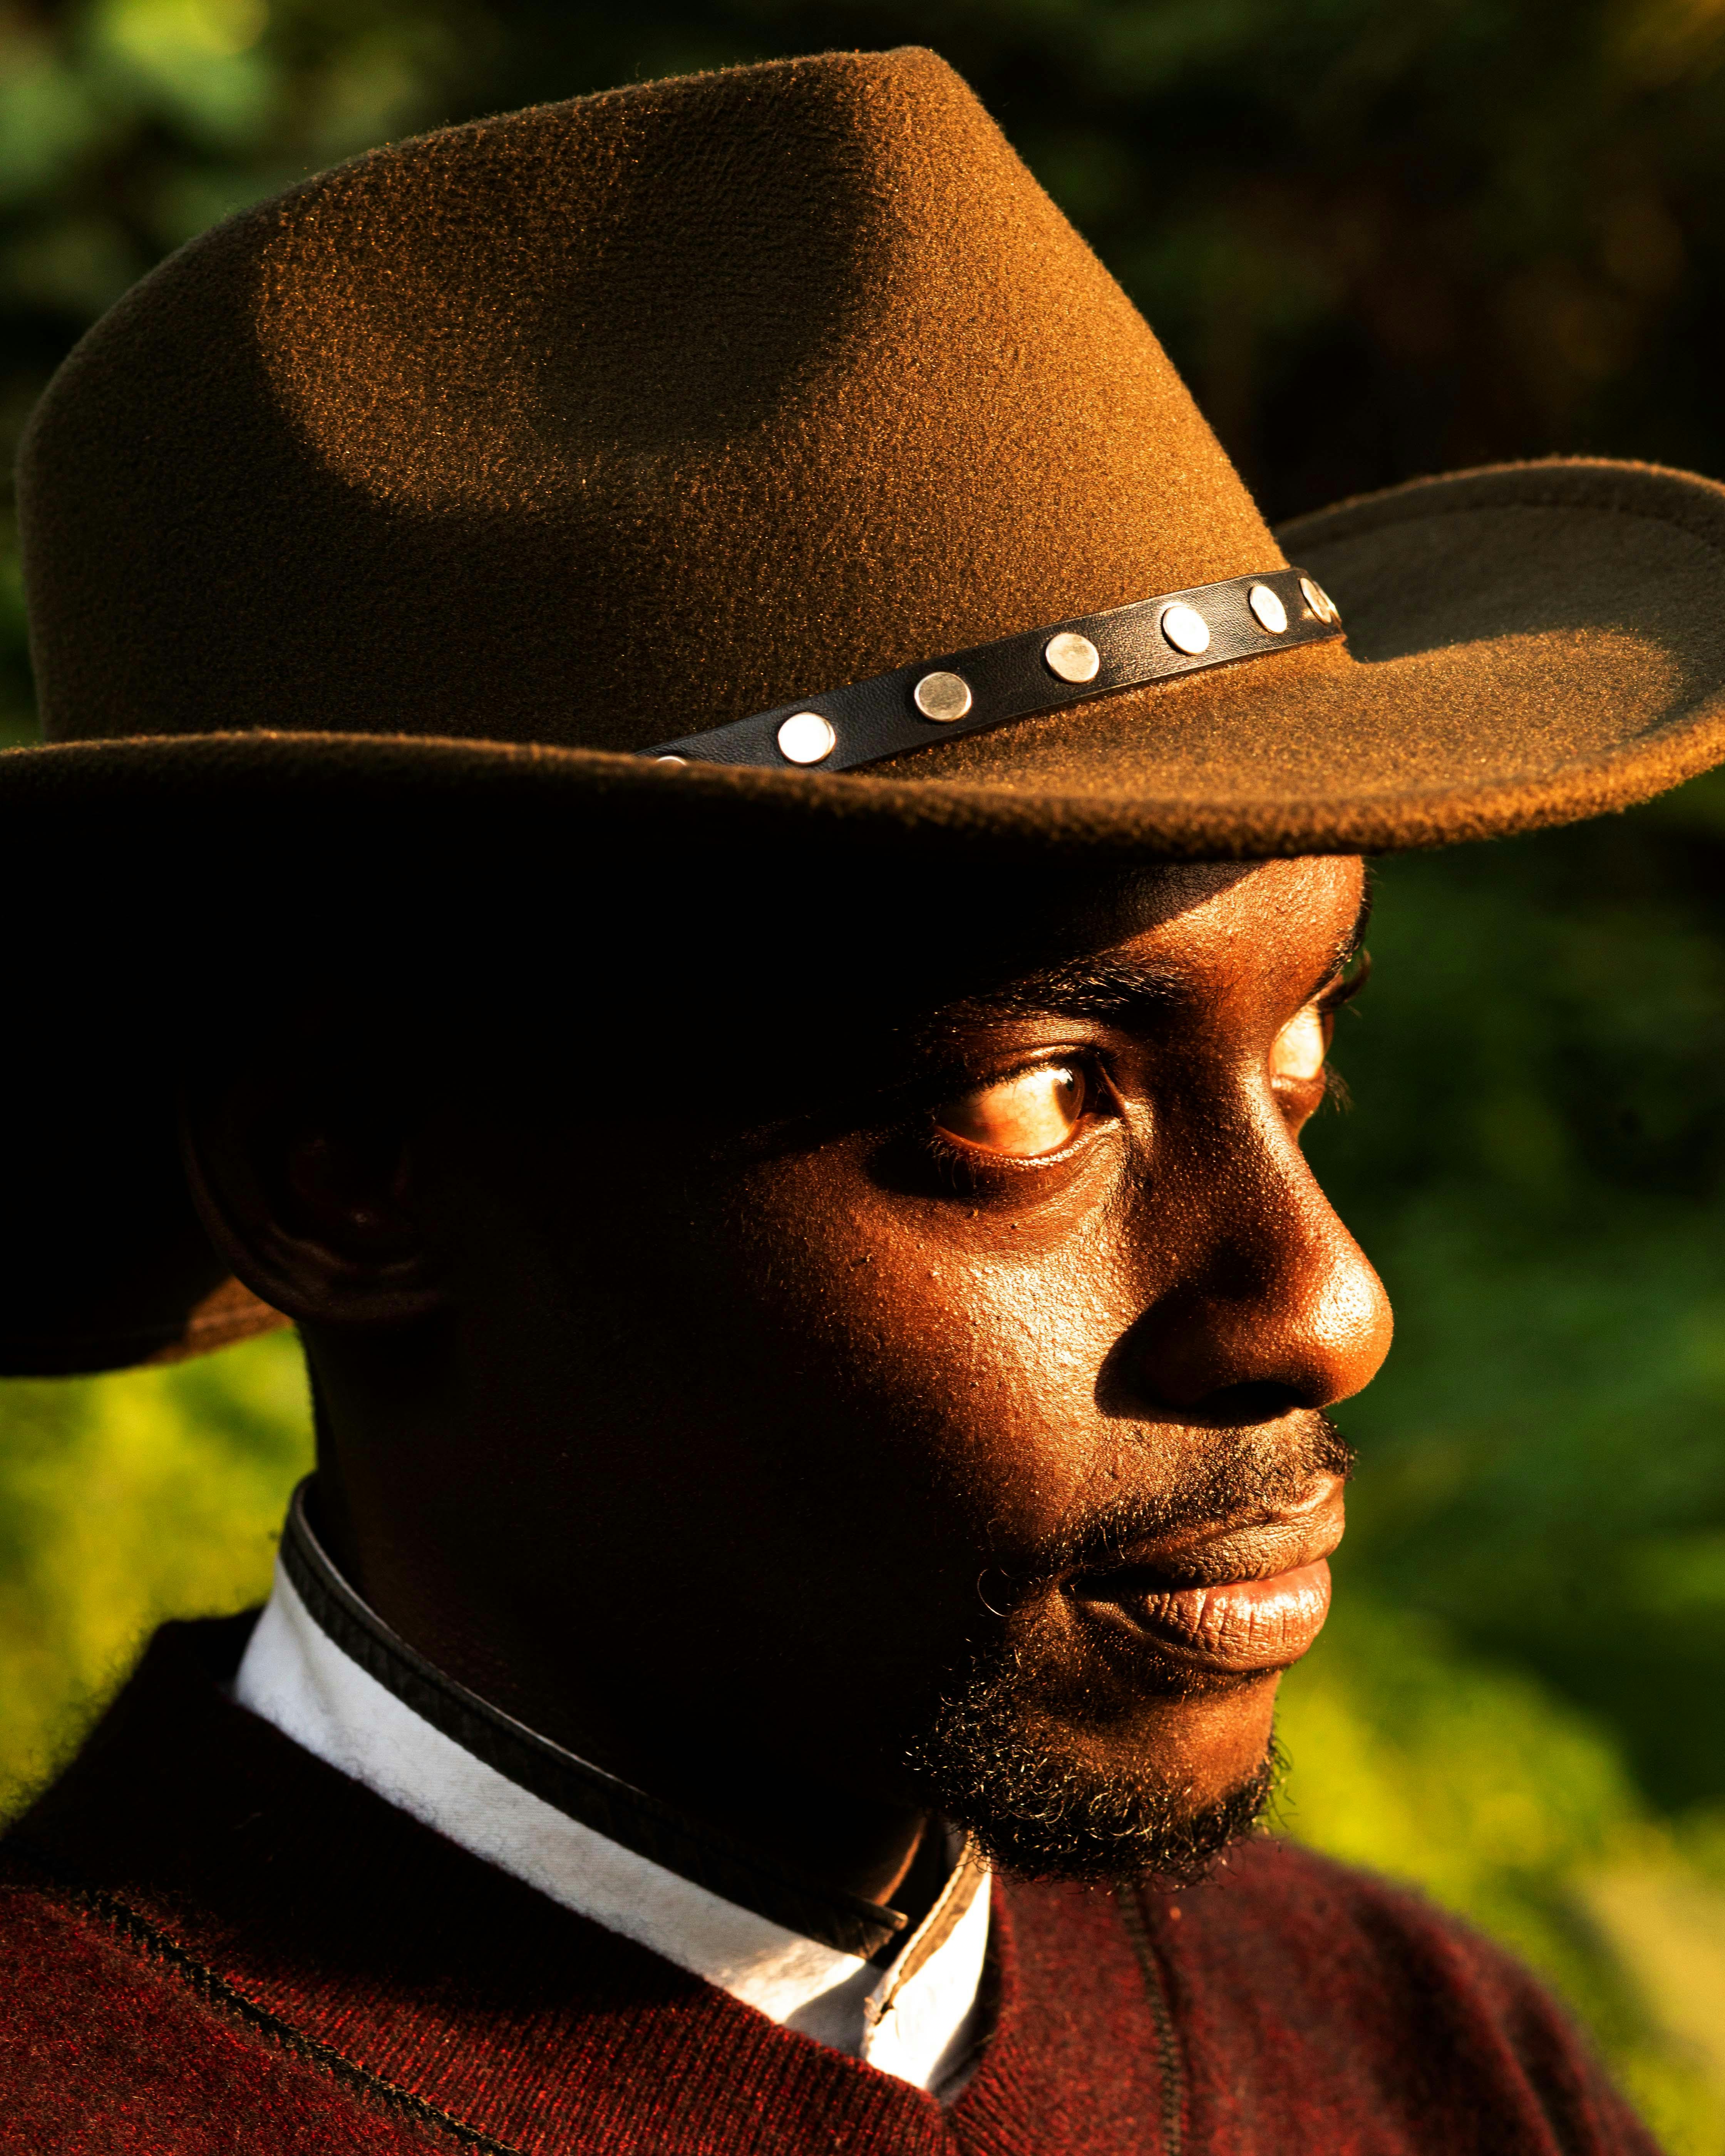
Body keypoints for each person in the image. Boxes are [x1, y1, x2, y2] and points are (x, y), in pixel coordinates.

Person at [2, 44, 1721, 2154]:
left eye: (1302, 1061)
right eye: (1032, 1103)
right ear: (346, 1182)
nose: (1325, 1303)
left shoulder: (1410, 2051)